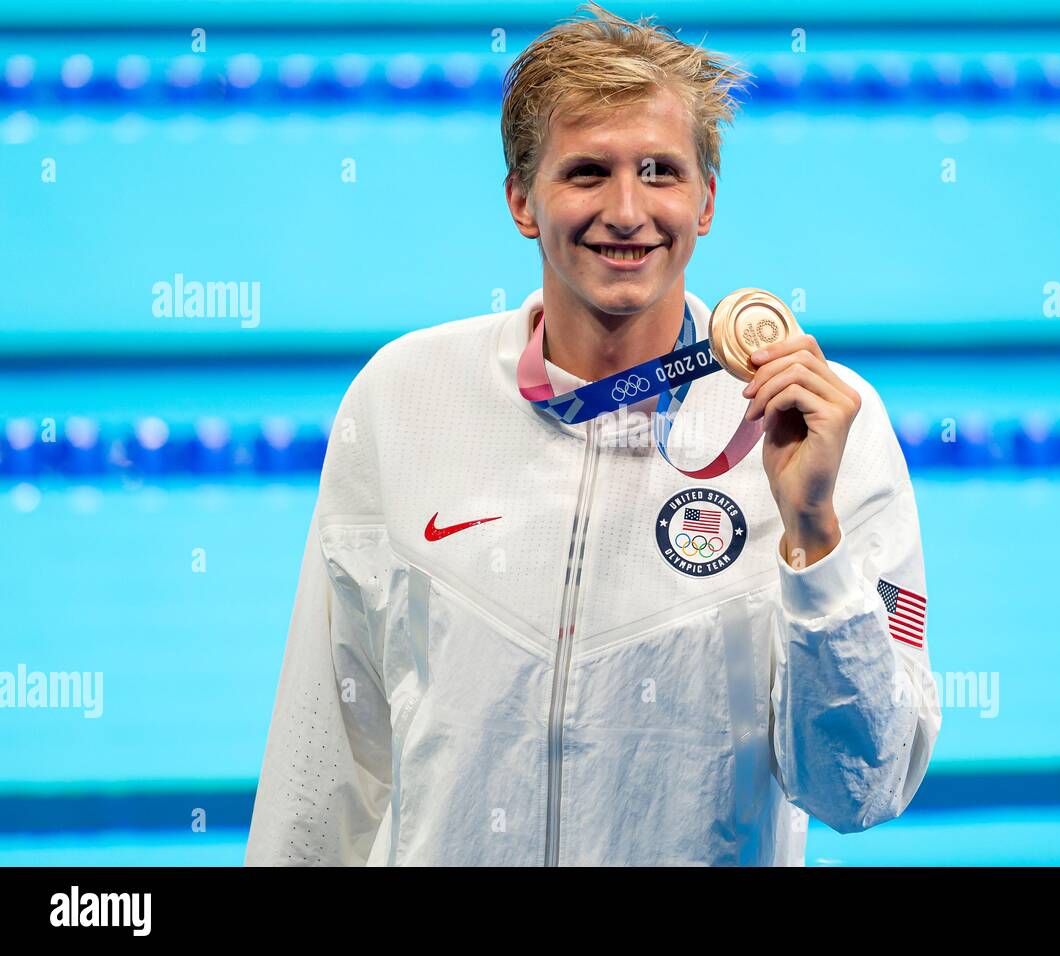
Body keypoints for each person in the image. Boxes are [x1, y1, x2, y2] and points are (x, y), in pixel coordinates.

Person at [245, 1, 940, 867]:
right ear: (521, 200)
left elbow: (861, 791)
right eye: (586, 172)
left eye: (660, 171)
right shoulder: (403, 398)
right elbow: (325, 760)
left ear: (706, 200)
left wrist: (812, 535)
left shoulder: (826, 424)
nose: (626, 210)